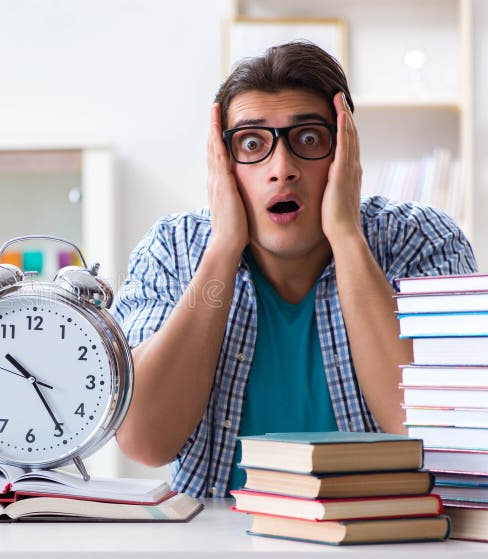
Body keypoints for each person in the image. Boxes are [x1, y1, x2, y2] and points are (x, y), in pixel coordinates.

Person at [112, 41, 478, 499]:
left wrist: (347, 236)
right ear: (223, 163)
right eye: (251, 144)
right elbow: (144, 441)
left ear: (345, 150)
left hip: (382, 538)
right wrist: (224, 247)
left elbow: (433, 427)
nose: (281, 169)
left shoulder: (422, 241)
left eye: (308, 139)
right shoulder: (174, 248)